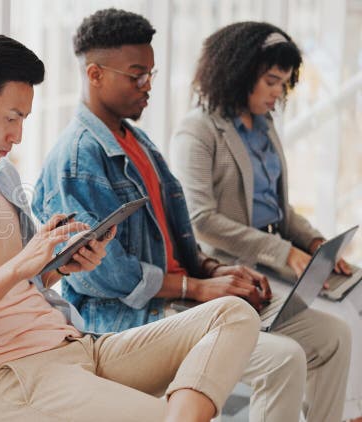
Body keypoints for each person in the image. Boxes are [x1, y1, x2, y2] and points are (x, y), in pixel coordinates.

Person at [0, 32, 260, 422]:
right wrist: (18, 268)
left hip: (77, 344)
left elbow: (24, 284)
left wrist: (60, 266)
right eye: (11, 118)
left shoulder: (0, 175)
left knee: (232, 314)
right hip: (14, 375)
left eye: (23, 120)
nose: (17, 136)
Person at [32, 9, 352, 422]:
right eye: (136, 76)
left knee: (333, 335)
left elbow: (176, 237)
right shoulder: (77, 159)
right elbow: (100, 274)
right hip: (136, 320)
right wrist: (196, 289)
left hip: (186, 299)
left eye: (152, 73)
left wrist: (218, 271)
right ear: (95, 75)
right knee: (282, 359)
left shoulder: (137, 140)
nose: (148, 87)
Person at [169, 21, 362, 421]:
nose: (278, 93)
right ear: (239, 73)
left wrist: (313, 244)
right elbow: (201, 220)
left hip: (276, 256)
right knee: (340, 320)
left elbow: (280, 209)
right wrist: (283, 252)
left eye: (284, 83)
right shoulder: (198, 131)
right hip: (236, 265)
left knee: (357, 294)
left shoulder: (266, 126)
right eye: (271, 81)